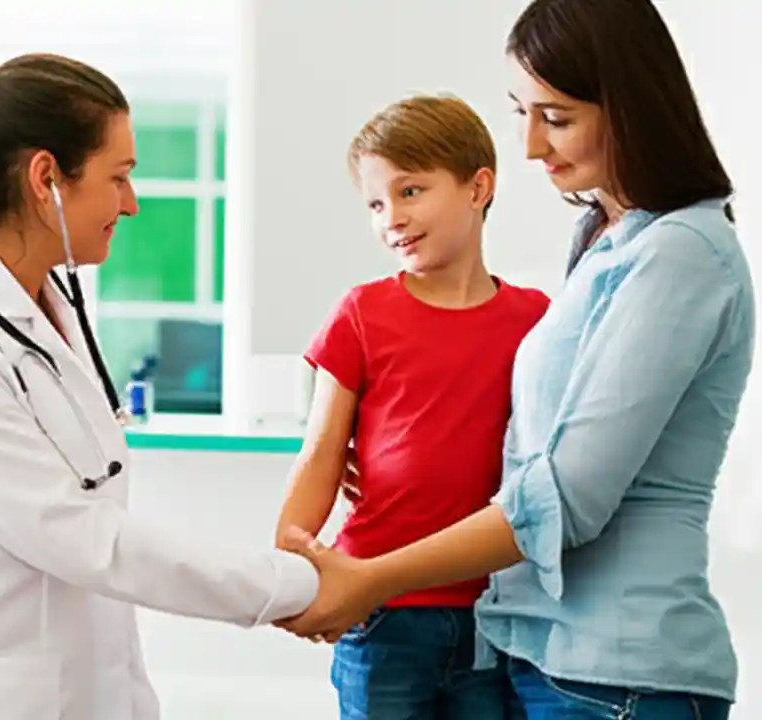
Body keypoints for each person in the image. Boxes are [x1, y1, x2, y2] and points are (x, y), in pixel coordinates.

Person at [0, 53, 342, 720]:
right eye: (118, 177)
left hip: (63, 686)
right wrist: (294, 584)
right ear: (47, 179)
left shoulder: (45, 312)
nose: (132, 202)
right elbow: (80, 537)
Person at [276, 1, 753, 718]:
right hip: (543, 657)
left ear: (627, 105)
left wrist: (370, 579)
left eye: (555, 118)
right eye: (521, 113)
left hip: (616, 672)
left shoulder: (679, 254)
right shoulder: (607, 241)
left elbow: (565, 497)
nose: (530, 146)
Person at [275, 94, 548, 719]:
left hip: (494, 614)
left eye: (410, 191)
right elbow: (320, 455)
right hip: (381, 617)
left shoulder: (536, 319)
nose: (390, 217)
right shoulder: (361, 313)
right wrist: (289, 562)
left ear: (479, 187)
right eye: (375, 203)